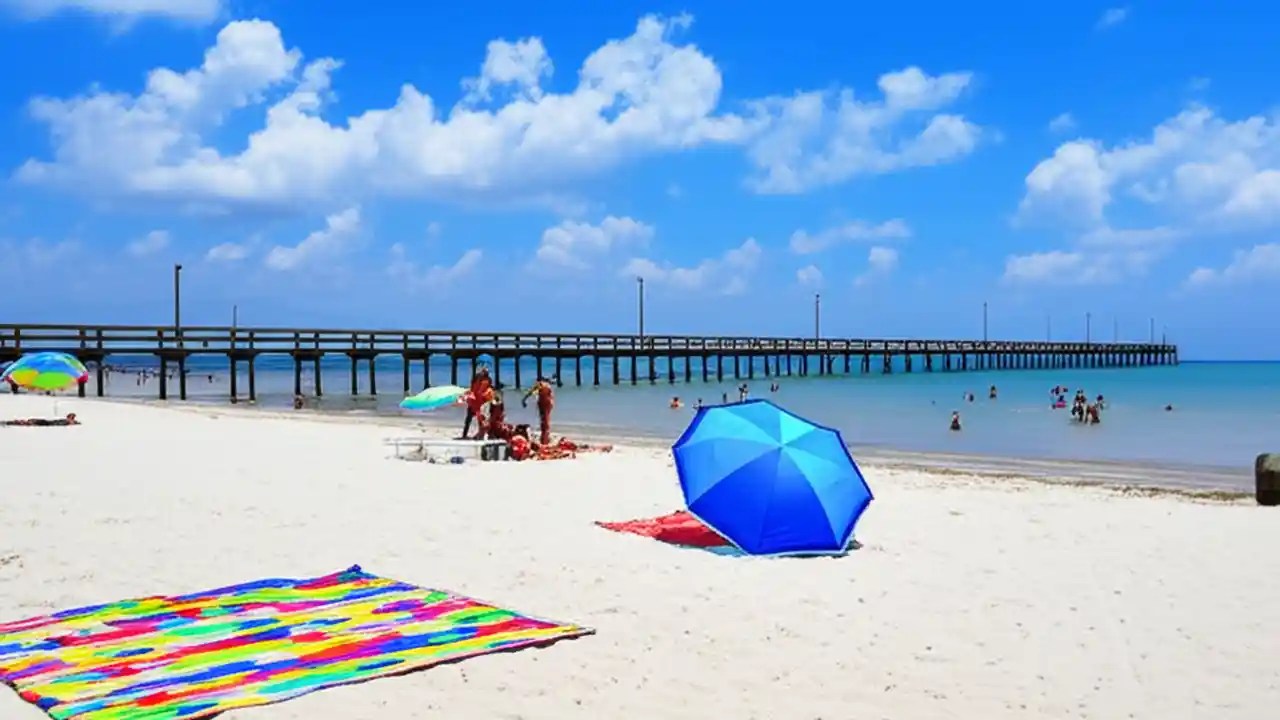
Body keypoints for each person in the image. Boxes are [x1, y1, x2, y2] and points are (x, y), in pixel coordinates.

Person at [523, 376, 555, 445]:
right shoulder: (546, 385)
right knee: (546, 423)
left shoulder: (541, 384)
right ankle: (544, 440)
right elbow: (550, 396)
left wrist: (524, 399)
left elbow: (531, 392)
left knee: (544, 422)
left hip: (544, 404)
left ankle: (544, 439)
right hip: (546, 404)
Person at [462, 366, 492, 439]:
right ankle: (465, 434)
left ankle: (478, 435)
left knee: (478, 420)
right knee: (471, 419)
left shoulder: (486, 380)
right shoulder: (480, 379)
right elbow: (474, 389)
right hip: (475, 402)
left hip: (478, 403)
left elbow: (486, 390)